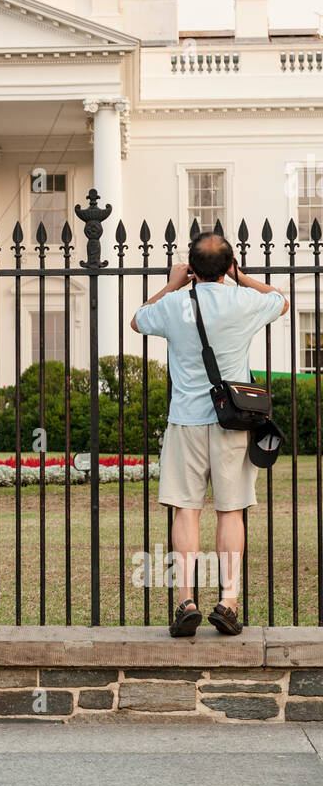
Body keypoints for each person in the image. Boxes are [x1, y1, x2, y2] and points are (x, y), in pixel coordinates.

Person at [131, 232, 288, 637]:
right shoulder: (244, 301)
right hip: (232, 421)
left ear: (192, 267)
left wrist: (171, 283)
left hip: (185, 420)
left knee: (186, 509)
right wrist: (243, 278)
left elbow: (137, 319)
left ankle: (185, 599)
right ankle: (228, 600)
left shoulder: (174, 303)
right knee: (230, 509)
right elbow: (280, 300)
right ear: (228, 266)